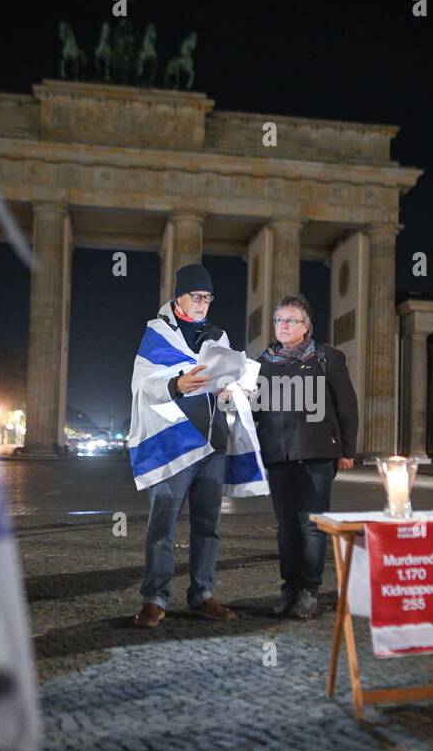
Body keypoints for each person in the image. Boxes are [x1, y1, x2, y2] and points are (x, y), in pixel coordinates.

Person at [127, 263, 267, 628]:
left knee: (208, 524)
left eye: (208, 297)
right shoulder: (156, 334)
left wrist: (230, 387)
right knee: (163, 526)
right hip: (173, 445)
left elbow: (231, 375)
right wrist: (176, 385)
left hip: (212, 445)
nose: (204, 303)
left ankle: (202, 594)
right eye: (198, 296)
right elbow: (143, 384)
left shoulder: (217, 336)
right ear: (179, 295)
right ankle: (155, 599)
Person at [251, 294, 359, 618]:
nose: (283, 326)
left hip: (317, 454)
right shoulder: (262, 363)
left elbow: (347, 406)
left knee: (311, 525)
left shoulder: (328, 357)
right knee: (286, 526)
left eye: (291, 320)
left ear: (306, 326)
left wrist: (347, 450)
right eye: (279, 320)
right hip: (278, 455)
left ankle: (310, 591)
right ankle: (290, 588)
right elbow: (256, 411)